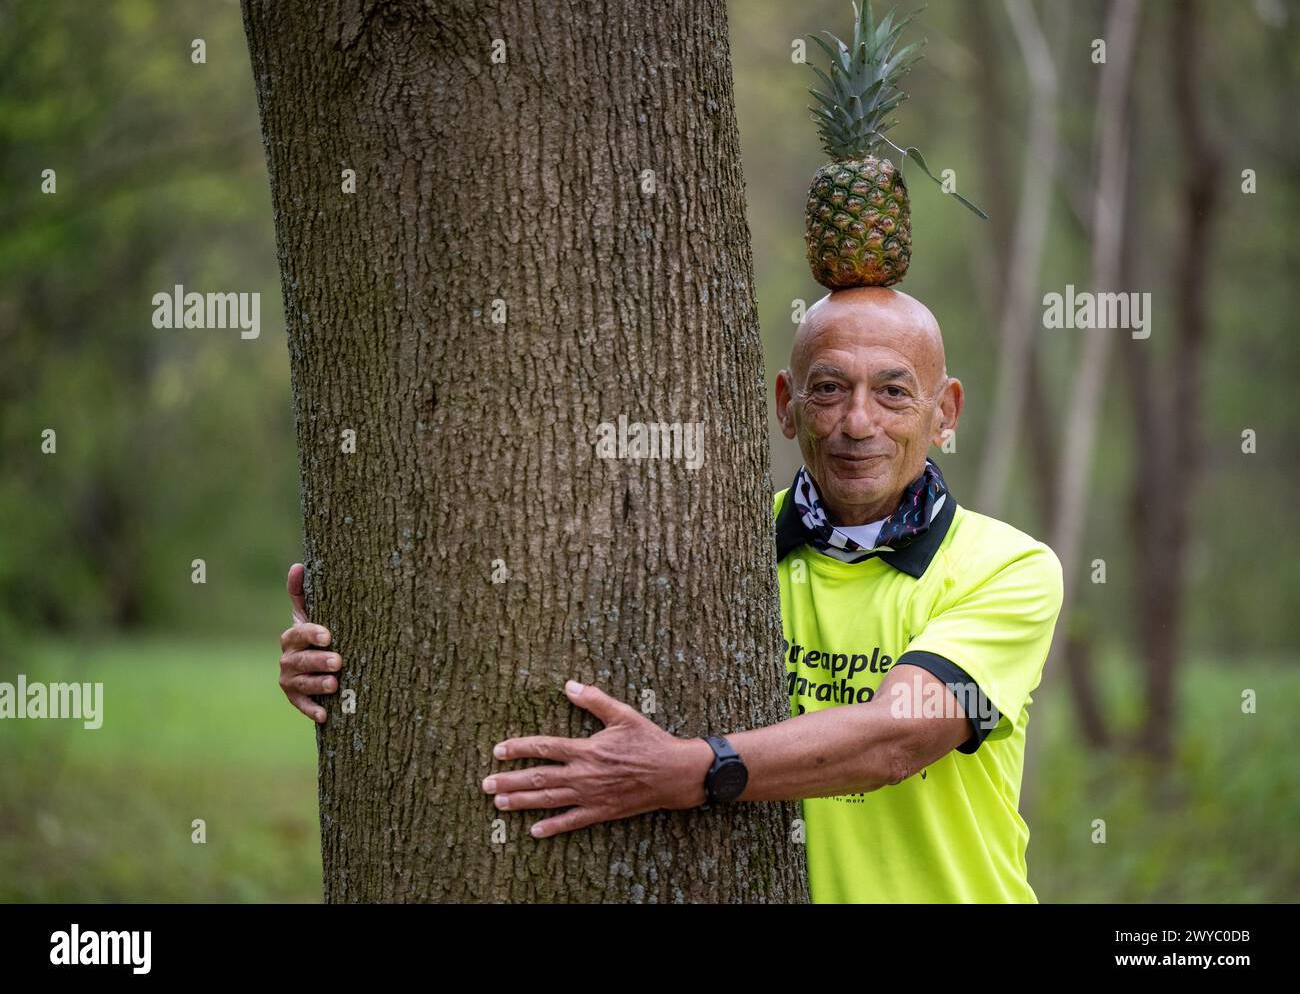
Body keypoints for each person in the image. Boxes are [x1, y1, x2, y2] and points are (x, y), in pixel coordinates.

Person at [278, 286, 1064, 902]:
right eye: (829, 389)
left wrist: (688, 769)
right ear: (787, 404)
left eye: (893, 393)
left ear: (945, 411)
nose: (857, 421)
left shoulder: (1008, 567)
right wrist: (358, 654)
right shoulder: (725, 550)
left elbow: (897, 737)